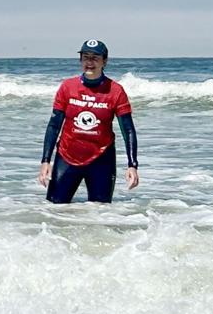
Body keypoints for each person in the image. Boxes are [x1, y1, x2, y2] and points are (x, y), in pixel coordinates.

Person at [38, 39, 139, 203]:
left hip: (101, 160)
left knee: (100, 213)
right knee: (54, 211)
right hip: (67, 157)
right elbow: (54, 125)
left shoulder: (116, 91)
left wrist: (132, 165)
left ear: (104, 61)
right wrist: (45, 161)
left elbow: (128, 129)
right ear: (80, 60)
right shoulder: (67, 87)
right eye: (86, 57)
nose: (89, 62)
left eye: (95, 58)